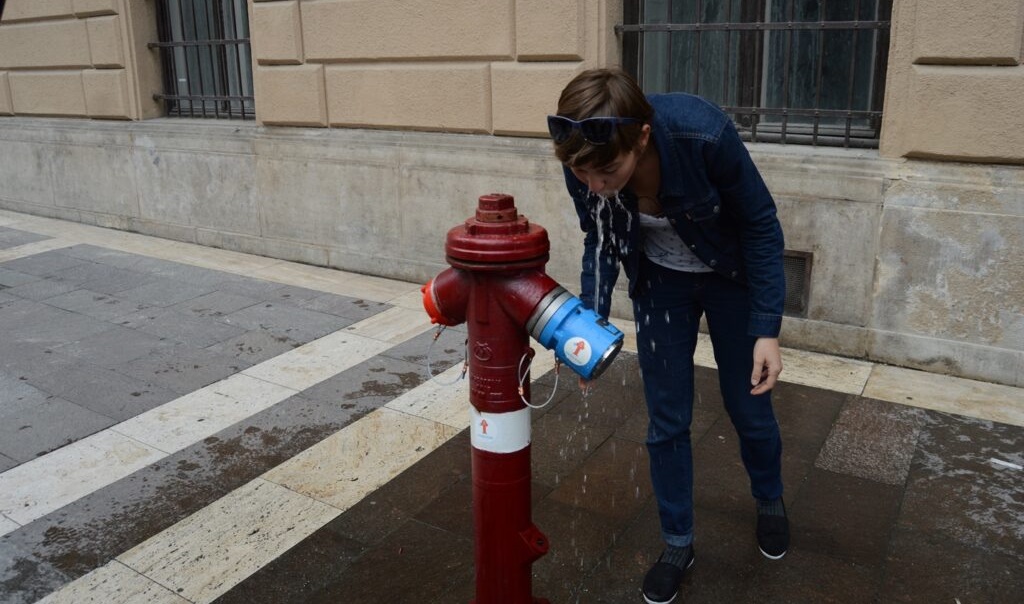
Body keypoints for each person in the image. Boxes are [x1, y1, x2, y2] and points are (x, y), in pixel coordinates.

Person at [547, 68, 788, 604]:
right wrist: (587, 328)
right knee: (667, 420)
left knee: (748, 409)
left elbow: (761, 223)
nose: (594, 185)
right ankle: (678, 541)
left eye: (606, 172)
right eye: (582, 174)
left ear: (644, 137)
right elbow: (600, 238)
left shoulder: (703, 134)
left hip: (731, 281)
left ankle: (769, 498)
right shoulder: (584, 154)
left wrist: (766, 329)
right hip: (660, 285)